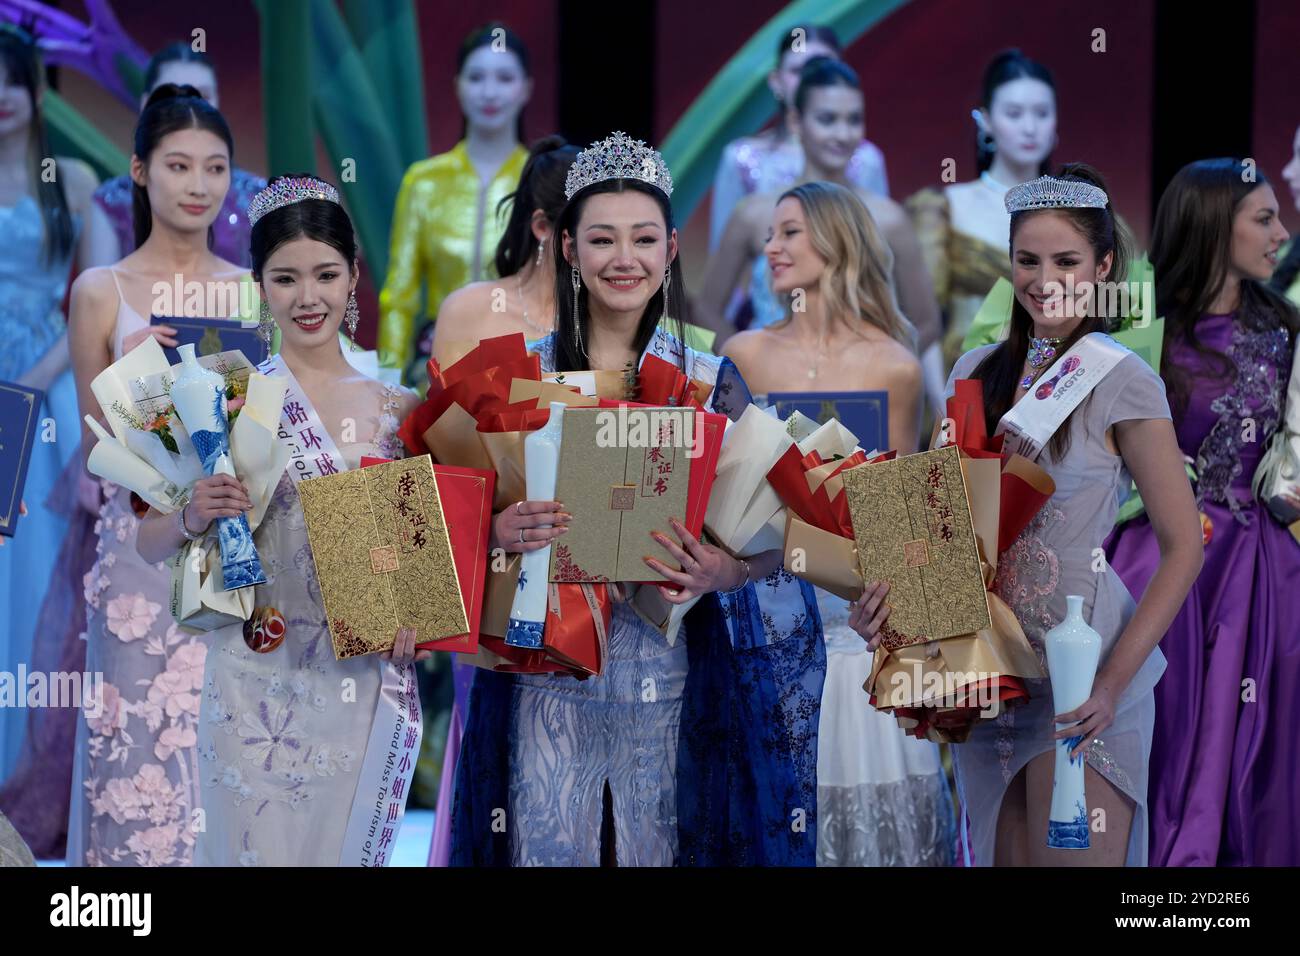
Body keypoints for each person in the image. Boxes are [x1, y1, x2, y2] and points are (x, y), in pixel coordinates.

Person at [451, 132, 826, 866]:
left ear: (672, 247)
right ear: (566, 248)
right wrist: (496, 528)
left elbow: (781, 539)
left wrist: (725, 573)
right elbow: (442, 535)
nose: (624, 259)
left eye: (644, 238)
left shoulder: (711, 380)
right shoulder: (517, 380)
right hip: (547, 685)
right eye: (602, 239)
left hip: (671, 680)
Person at [864, 164, 1203, 867]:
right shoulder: (973, 369)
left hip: (1085, 675)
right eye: (1027, 260)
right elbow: (932, 529)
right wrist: (887, 605)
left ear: (1104, 266)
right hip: (991, 672)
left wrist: (1111, 685)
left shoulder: (1122, 378)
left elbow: (1182, 547)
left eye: (1067, 261)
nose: (1044, 279)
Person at [134, 174, 427, 866]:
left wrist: (415, 616)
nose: (308, 296)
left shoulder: (400, 406)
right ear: (260, 286)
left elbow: (413, 563)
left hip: (358, 682)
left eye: (326, 274)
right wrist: (190, 513)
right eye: (286, 277)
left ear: (354, 277)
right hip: (249, 680)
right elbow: (146, 541)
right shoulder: (219, 394)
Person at [723, 182, 954, 866]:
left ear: (836, 239)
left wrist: (907, 628)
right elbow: (726, 504)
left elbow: (902, 514)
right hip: (759, 615)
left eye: (789, 231)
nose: (771, 247)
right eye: (769, 234)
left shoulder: (896, 365)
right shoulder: (743, 354)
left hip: (857, 630)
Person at [65, 84, 245, 866]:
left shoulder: (248, 289)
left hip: (233, 555)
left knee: (224, 773)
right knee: (133, 758)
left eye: (214, 167)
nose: (198, 184)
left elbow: (266, 441)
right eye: (177, 165)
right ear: (139, 171)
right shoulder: (100, 292)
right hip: (141, 556)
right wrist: (141, 371)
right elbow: (95, 446)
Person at [1106, 158, 1300, 866]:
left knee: (1258, 739)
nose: (1282, 232)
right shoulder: (1144, 329)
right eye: (1263, 218)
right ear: (1216, 227)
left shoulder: (1287, 330)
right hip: (1160, 554)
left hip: (1263, 566)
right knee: (1162, 722)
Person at [0, 24, 106, 781]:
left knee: (40, 573)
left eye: (10, 81)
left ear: (36, 90)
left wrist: (33, 380)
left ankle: (36, 771)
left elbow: (92, 300)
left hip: (45, 387)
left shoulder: (68, 179)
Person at [699, 58, 940, 376]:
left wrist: (880, 369)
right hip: (770, 393)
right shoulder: (755, 213)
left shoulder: (888, 219)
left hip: (859, 393)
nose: (843, 133)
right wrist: (750, 364)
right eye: (827, 119)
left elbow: (926, 321)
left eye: (853, 120)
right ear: (796, 121)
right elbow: (706, 309)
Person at [379, 22, 532, 381]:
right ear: (458, 87)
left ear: (526, 88)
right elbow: (398, 299)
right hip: (438, 368)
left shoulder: (539, 182)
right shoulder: (424, 181)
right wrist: (386, 385)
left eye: (505, 79)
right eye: (476, 78)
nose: (489, 92)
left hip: (523, 368)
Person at [907, 49, 1058, 369]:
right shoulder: (945, 207)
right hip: (966, 381)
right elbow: (925, 324)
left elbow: (1118, 311)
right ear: (986, 121)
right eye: (1014, 114)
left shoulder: (1078, 210)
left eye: (1042, 113)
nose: (1030, 128)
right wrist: (943, 406)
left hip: (1056, 383)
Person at [709, 23, 888, 253]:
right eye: (797, 70)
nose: (810, 78)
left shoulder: (865, 158)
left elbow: (880, 257)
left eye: (822, 68)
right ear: (776, 80)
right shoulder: (741, 158)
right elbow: (722, 256)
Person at [87, 42, 265, 268]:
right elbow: (101, 296)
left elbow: (265, 297)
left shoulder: (258, 199)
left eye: (203, 96)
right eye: (172, 94)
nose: (189, 107)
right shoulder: (112, 202)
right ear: (145, 104)